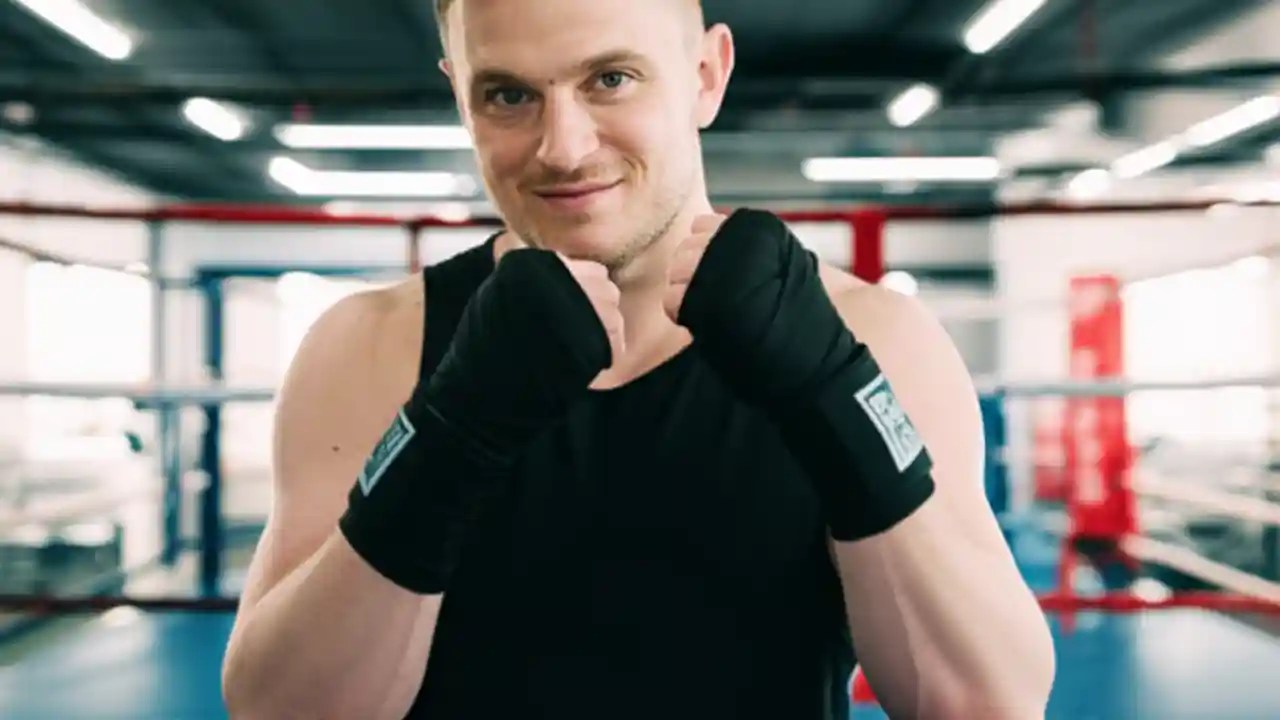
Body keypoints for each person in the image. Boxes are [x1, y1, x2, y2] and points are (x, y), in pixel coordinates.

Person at [220, 0, 1056, 718]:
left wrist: (830, 391)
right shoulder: (371, 348)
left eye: (610, 79)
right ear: (459, 97)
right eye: (508, 94)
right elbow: (280, 709)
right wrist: (450, 431)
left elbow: (987, 702)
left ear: (706, 75)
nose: (562, 147)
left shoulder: (877, 341)